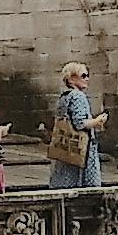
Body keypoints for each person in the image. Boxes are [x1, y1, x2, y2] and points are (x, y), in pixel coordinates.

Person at [46, 62, 102, 191]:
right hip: (80, 148)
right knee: (85, 187)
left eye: (87, 75)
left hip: (66, 146)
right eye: (83, 75)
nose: (87, 78)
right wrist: (97, 120)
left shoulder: (64, 97)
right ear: (71, 79)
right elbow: (80, 123)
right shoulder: (78, 96)